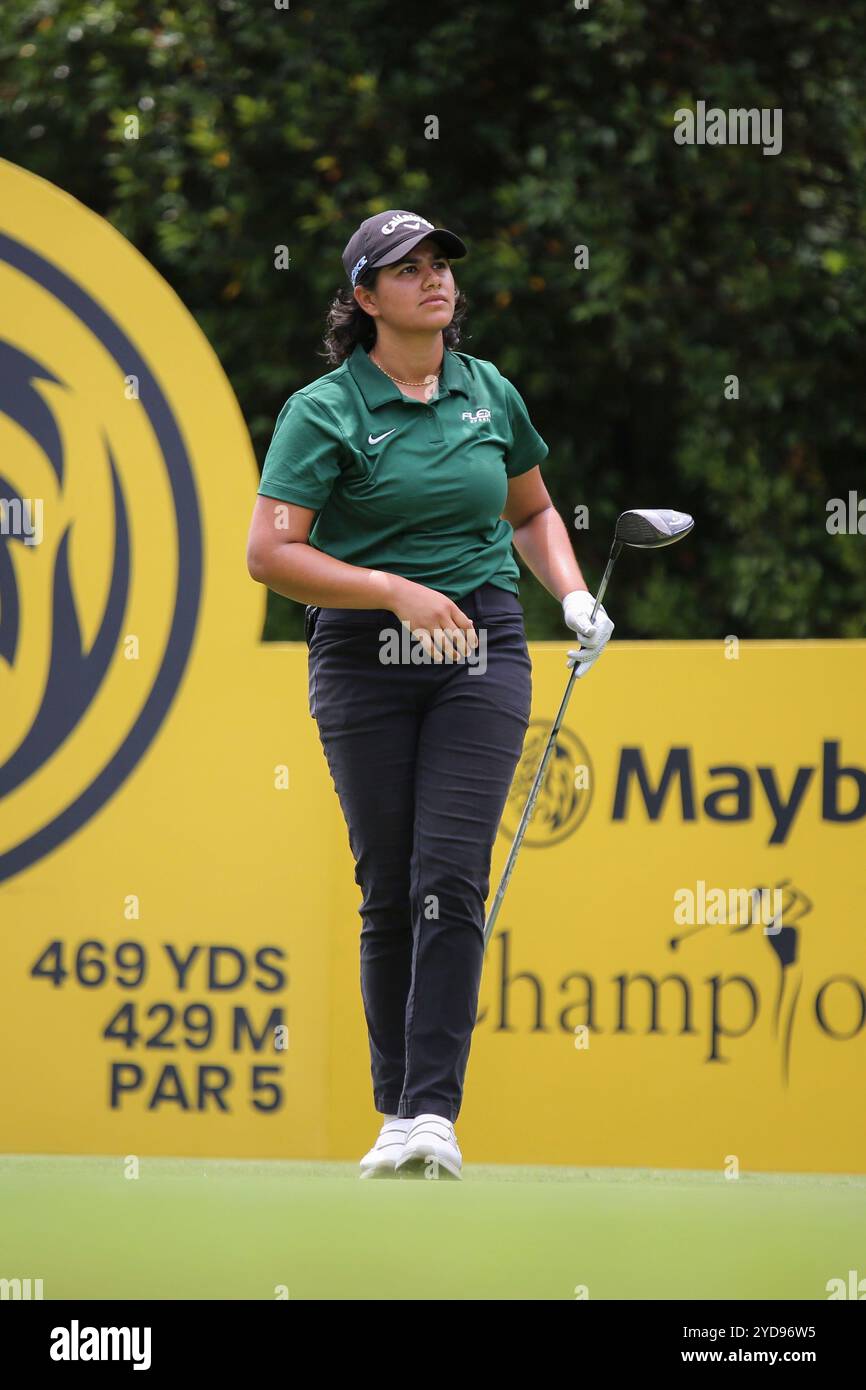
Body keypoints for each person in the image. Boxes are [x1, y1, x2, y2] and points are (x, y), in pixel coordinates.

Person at [246, 209, 613, 1180]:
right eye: (405, 270)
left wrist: (571, 596)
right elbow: (270, 553)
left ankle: (432, 1117)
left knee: (449, 876)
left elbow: (530, 508)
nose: (434, 279)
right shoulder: (321, 411)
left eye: (440, 263)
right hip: (362, 657)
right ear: (365, 299)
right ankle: (392, 1112)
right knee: (388, 889)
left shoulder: (486, 391)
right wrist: (391, 590)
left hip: (478, 646)